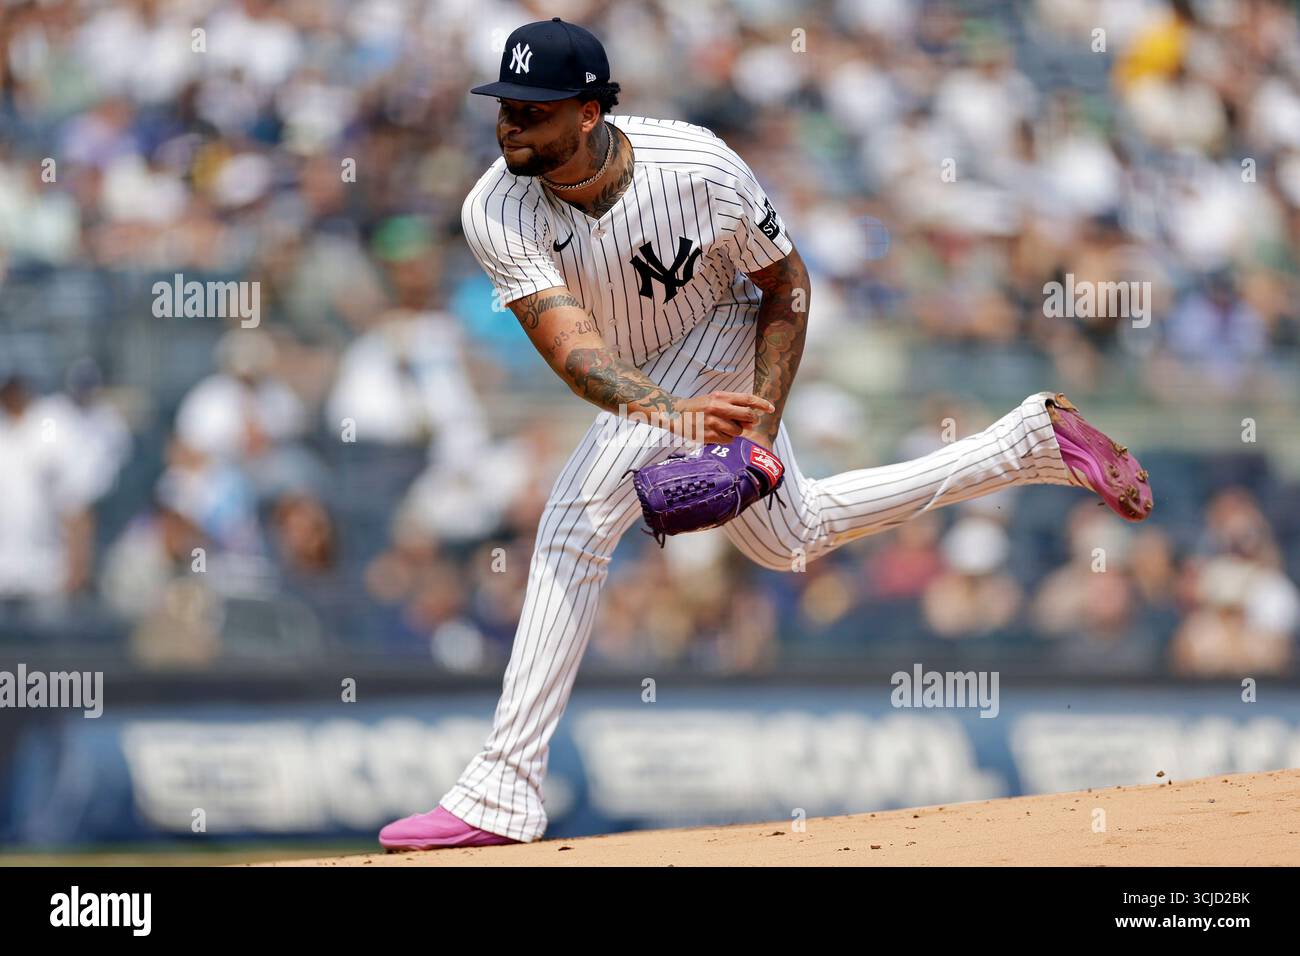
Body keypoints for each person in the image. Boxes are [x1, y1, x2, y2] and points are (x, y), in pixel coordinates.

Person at [379, 18, 1153, 850]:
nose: (511, 123)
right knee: (794, 536)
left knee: (574, 521)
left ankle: (503, 789)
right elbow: (576, 355)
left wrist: (759, 426)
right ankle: (1025, 445)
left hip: (727, 325)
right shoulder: (494, 206)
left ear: (590, 113)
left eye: (533, 109)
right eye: (506, 105)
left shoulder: (697, 166)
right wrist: (677, 419)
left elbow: (784, 283)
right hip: (641, 373)